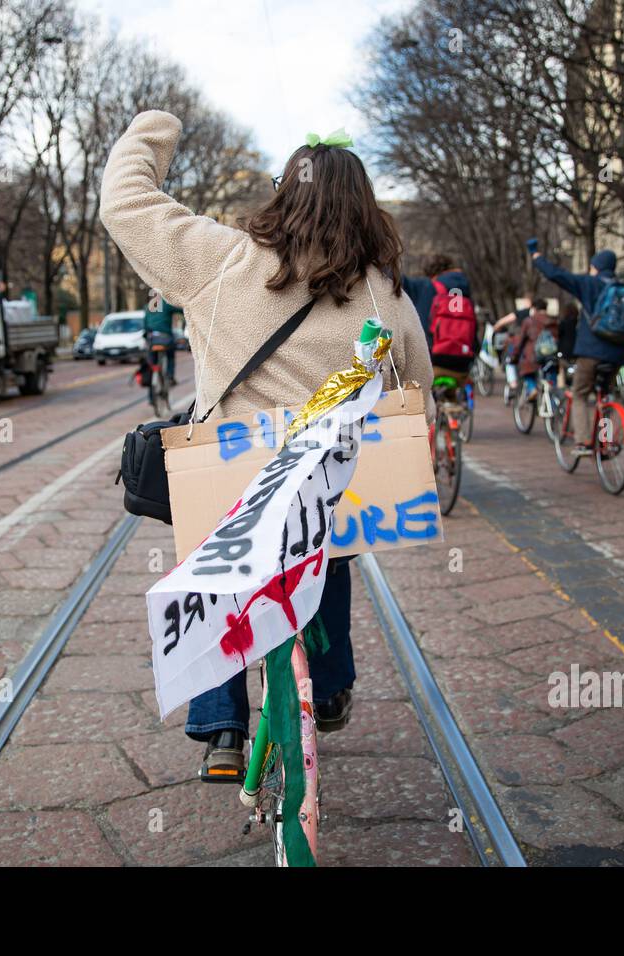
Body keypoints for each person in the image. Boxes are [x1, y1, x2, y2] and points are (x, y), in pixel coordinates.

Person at [100, 110, 435, 782]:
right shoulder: (383, 291)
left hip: (231, 483)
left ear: (287, 192)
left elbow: (126, 203)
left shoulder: (222, 261)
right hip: (326, 485)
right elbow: (416, 386)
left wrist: (155, 130)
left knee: (215, 567)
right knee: (331, 553)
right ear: (364, 206)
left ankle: (221, 727)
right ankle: (332, 684)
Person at [529, 246, 624, 453]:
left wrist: (537, 257)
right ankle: (606, 443)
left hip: (591, 352)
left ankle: (584, 441)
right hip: (619, 354)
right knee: (606, 396)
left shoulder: (589, 284)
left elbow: (557, 275)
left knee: (580, 394)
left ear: (596, 267)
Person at [401, 254, 454, 348]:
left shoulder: (426, 286)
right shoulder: (463, 288)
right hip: (463, 354)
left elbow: (400, 281)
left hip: (432, 352)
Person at [142, 293, 182, 384]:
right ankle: (170, 376)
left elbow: (144, 325)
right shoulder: (166, 304)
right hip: (166, 338)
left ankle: (152, 372)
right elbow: (181, 310)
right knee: (170, 356)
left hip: (152, 340)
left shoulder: (147, 306)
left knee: (151, 359)